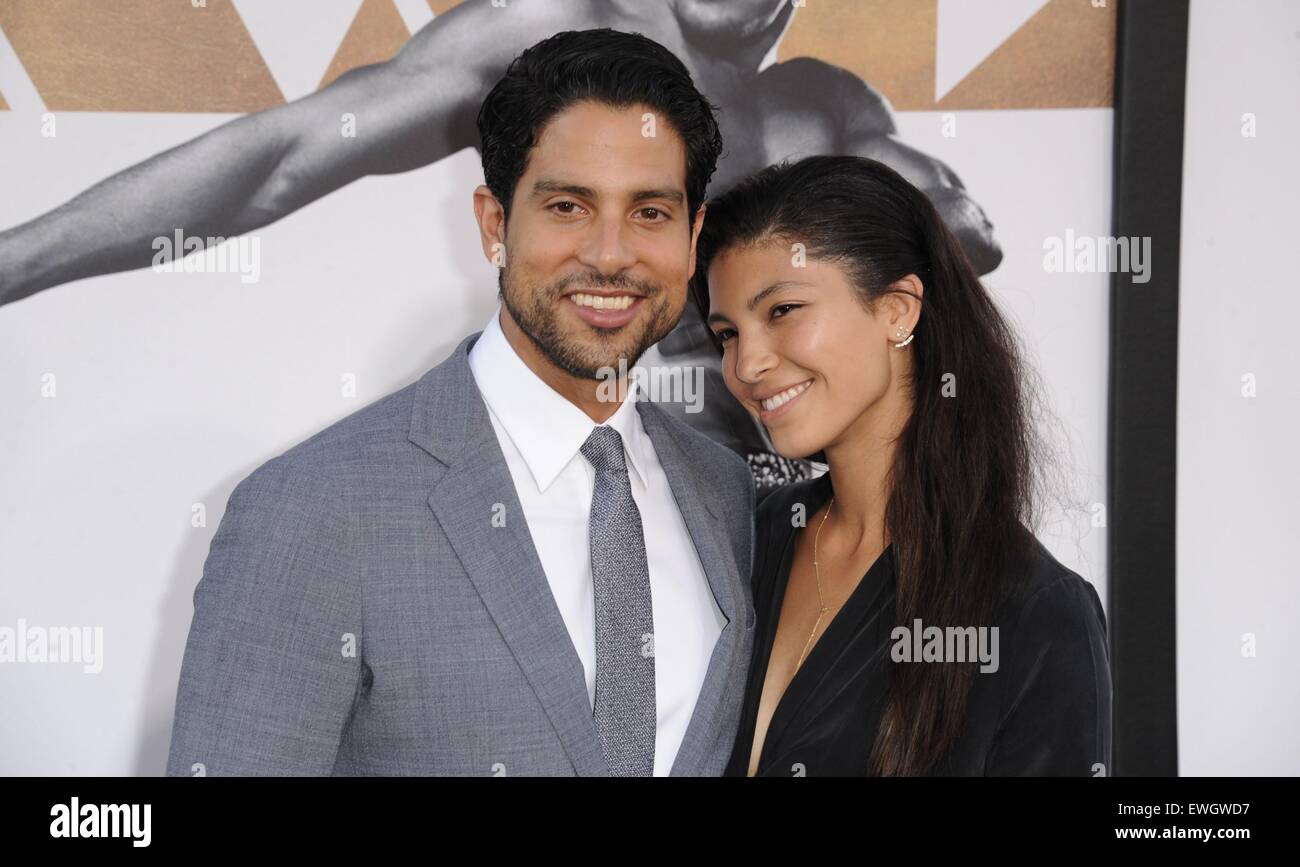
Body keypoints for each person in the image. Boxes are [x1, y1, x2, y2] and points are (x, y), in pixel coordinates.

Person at [0, 0, 1001, 492]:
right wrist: (16, 260)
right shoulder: (563, 26)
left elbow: (961, 235)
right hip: (545, 512)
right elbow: (282, 156)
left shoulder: (814, 105)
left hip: (756, 534)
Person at [166, 29, 755, 777]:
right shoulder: (313, 509)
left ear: (693, 235)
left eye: (650, 212)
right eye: (569, 206)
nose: (611, 254)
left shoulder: (724, 491)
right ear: (494, 225)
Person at [695, 156, 1112, 776]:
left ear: (897, 310)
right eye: (727, 333)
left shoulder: (1033, 611)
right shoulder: (743, 540)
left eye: (782, 310)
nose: (747, 364)